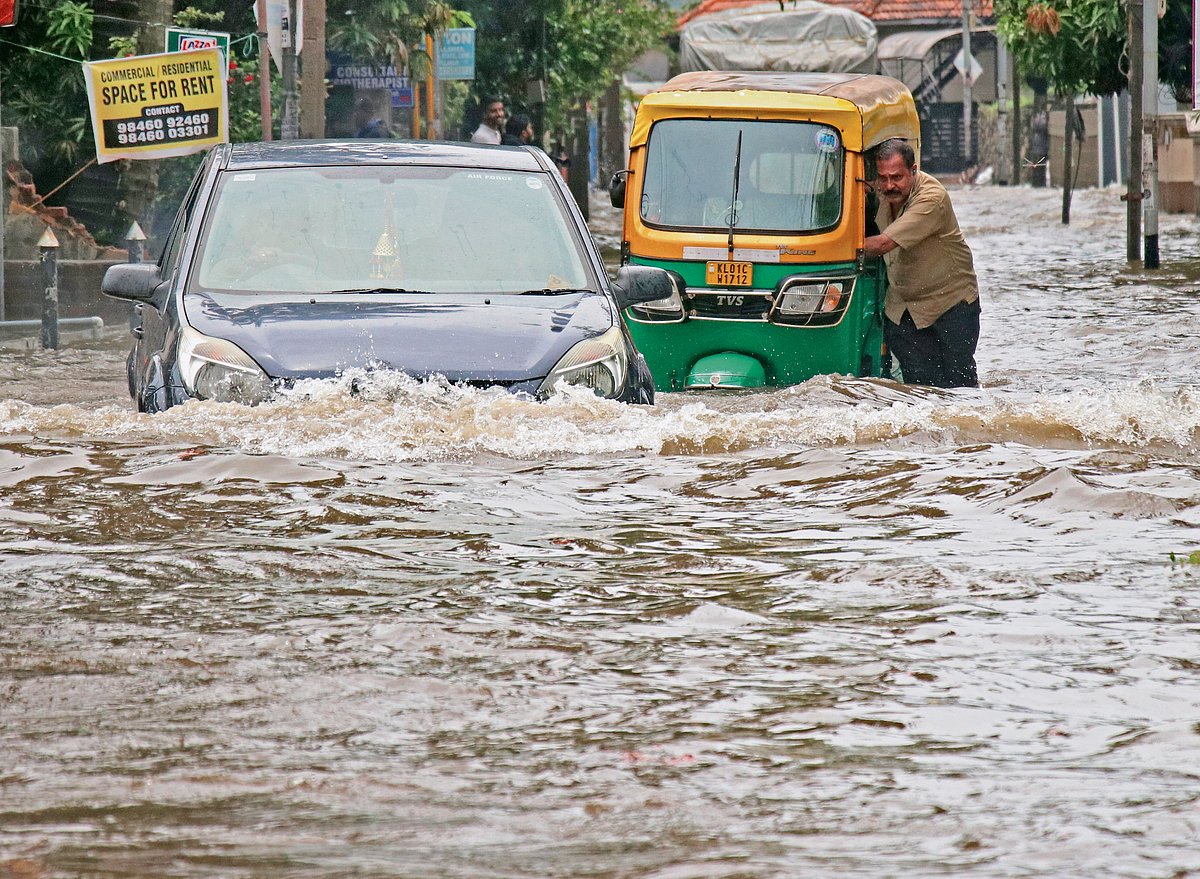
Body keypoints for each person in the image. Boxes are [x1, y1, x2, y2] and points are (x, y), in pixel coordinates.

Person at [863, 138, 981, 388]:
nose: (889, 185)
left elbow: (884, 244)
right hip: (903, 307)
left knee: (960, 387)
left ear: (914, 171)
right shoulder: (880, 189)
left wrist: (828, 245)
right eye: (883, 178)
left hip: (950, 303)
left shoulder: (932, 199)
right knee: (918, 390)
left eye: (896, 177)